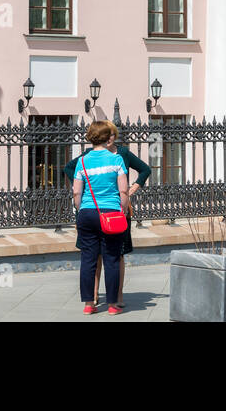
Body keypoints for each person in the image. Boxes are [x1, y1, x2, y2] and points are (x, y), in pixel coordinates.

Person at [64, 136, 150, 307]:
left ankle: (117, 296)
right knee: (94, 257)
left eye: (112, 135)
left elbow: (145, 170)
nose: (109, 138)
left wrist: (134, 188)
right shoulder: (88, 155)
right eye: (107, 135)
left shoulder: (122, 154)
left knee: (117, 255)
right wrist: (86, 190)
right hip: (107, 209)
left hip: (113, 212)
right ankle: (94, 296)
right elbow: (68, 168)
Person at [72, 120, 131, 315]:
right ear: (108, 139)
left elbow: (76, 192)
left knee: (88, 259)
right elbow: (123, 190)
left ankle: (89, 304)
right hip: (111, 212)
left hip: (87, 213)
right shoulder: (116, 160)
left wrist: (81, 210)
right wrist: (122, 209)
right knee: (112, 258)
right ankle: (113, 305)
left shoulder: (82, 161)